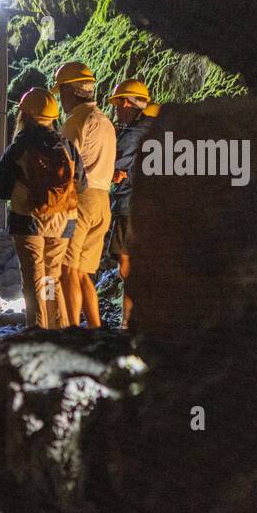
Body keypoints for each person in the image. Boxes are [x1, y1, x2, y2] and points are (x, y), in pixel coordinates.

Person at [0, 88, 85, 329]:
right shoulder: (66, 144)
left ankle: (36, 329)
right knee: (52, 276)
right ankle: (57, 328)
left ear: (25, 115)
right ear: (52, 116)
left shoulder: (19, 146)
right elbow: (82, 183)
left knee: (33, 277)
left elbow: (0, 190)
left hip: (28, 219)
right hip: (65, 219)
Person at [53, 61, 117, 329]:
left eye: (60, 92)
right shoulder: (106, 122)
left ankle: (71, 330)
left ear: (70, 91)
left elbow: (64, 167)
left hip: (79, 201)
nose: (59, 98)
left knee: (67, 271)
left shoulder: (76, 121)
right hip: (103, 202)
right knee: (83, 273)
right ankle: (95, 329)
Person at [105, 81, 156, 330]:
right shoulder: (155, 129)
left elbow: (114, 166)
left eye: (117, 103)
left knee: (127, 266)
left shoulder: (133, 134)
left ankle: (129, 323)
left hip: (128, 205)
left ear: (128, 102)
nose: (116, 108)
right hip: (151, 206)